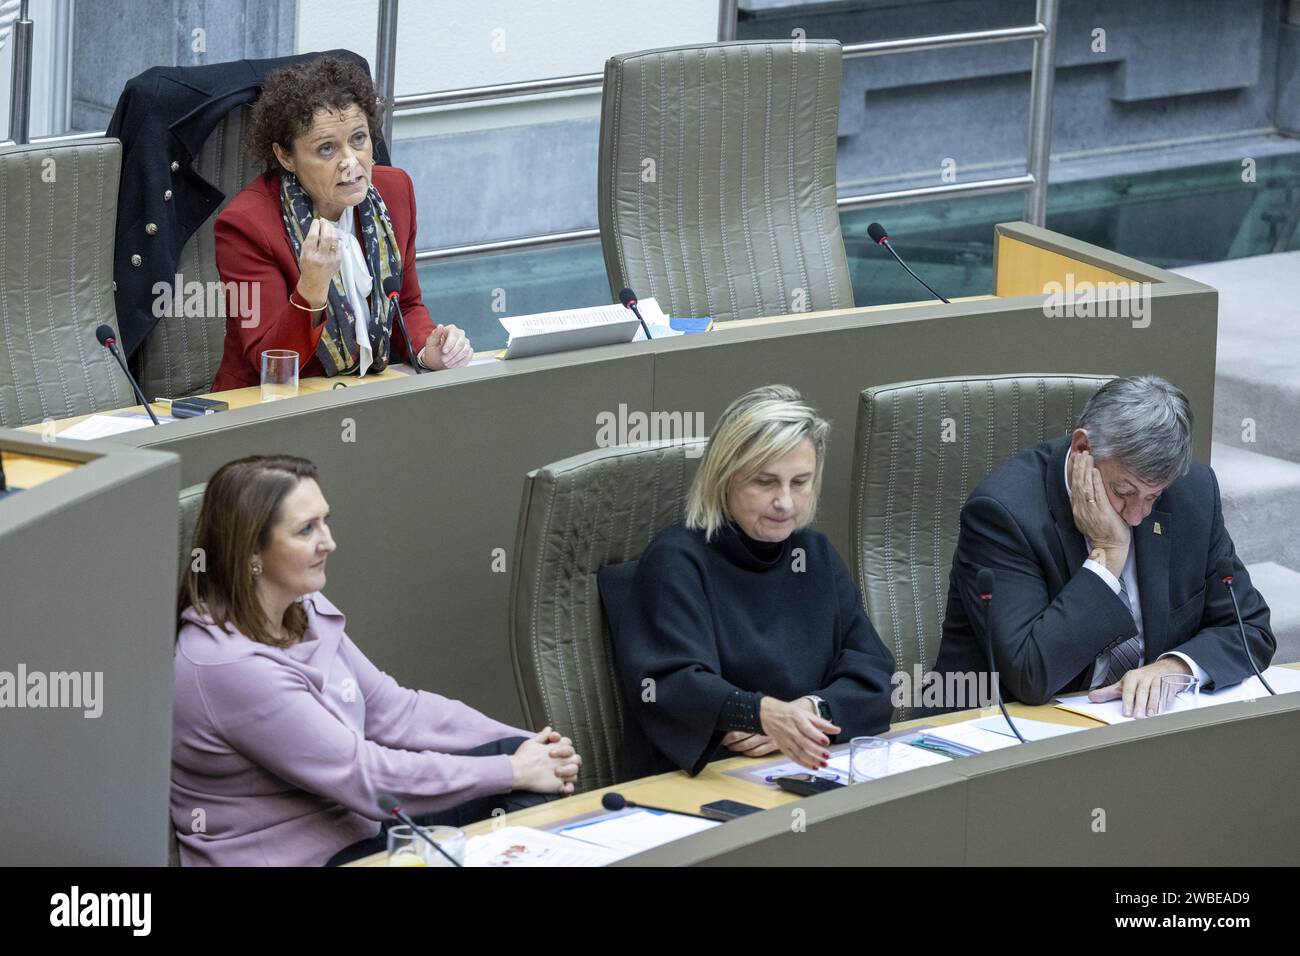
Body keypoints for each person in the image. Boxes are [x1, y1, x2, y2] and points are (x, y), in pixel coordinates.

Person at [172, 455, 581, 866]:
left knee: (526, 767)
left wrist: (535, 746)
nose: (328, 542)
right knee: (515, 778)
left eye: (325, 521)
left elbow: (396, 712)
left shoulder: (303, 605)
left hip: (361, 832)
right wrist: (512, 770)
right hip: (309, 859)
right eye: (306, 529)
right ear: (251, 551)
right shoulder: (227, 666)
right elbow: (364, 777)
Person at [933, 374, 1275, 716]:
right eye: (1123, 492)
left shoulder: (1192, 493)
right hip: (1001, 727)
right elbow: (1030, 674)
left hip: (1137, 726)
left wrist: (1175, 668)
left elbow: (1250, 629)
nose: (1137, 516)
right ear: (1083, 449)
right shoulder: (1003, 513)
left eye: (1153, 497)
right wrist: (1108, 554)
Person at [605, 385, 895, 779]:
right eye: (765, 482)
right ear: (724, 479)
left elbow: (874, 672)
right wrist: (759, 714)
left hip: (805, 766)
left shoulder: (814, 554)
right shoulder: (676, 560)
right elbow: (671, 685)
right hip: (704, 781)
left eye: (800, 482)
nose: (785, 502)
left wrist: (808, 715)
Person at [210, 55, 472, 392]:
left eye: (359, 139)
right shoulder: (246, 224)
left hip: (363, 394)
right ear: (285, 156)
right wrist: (311, 287)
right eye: (326, 149)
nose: (350, 162)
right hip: (269, 403)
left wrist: (427, 349)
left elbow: (404, 304)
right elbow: (272, 363)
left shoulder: (395, 191)